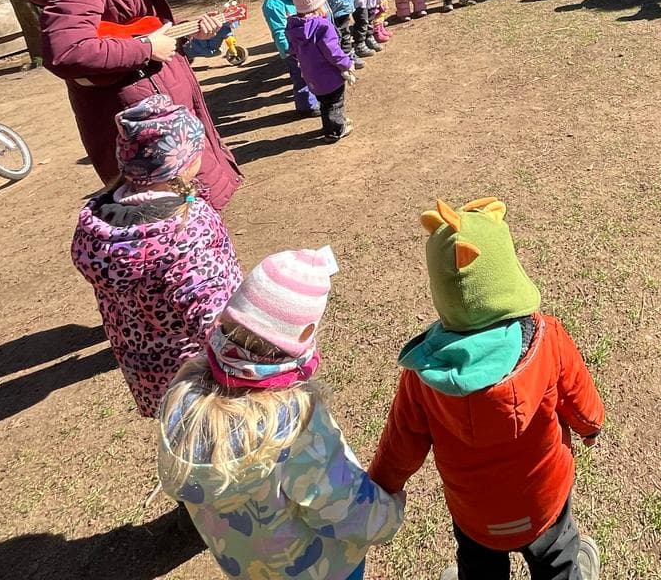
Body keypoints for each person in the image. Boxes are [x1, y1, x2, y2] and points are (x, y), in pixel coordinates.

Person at [369, 198, 604, 580]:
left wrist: (381, 487)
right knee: (558, 557)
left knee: (478, 565)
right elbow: (579, 396)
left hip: (474, 513)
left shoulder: (423, 374)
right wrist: (591, 427)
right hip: (544, 499)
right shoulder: (547, 339)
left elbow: (401, 445)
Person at [158, 248, 405, 580]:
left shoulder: (181, 399)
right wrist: (389, 514)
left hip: (246, 569)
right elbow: (343, 506)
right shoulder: (294, 427)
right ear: (303, 338)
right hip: (323, 570)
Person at [20, 0, 242, 208]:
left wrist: (182, 31)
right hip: (144, 121)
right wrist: (147, 48)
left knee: (194, 215)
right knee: (171, 220)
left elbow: (135, 27)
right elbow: (65, 50)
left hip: (160, 107)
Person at [71, 95, 243, 418]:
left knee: (181, 435)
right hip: (203, 380)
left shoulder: (99, 224)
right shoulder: (186, 231)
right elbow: (215, 319)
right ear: (180, 163)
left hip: (151, 376)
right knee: (214, 439)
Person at [288, 0, 357, 143]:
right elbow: (332, 51)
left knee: (324, 102)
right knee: (334, 102)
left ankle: (332, 123)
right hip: (329, 74)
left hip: (311, 75)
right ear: (316, 6)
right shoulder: (322, 26)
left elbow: (293, 50)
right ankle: (334, 131)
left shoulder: (293, 26)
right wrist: (347, 63)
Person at [262, 0, 319, 117]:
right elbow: (278, 30)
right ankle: (306, 106)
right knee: (300, 76)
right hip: (292, 49)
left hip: (307, 44)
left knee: (312, 72)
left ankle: (316, 98)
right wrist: (289, 50)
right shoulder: (273, 4)